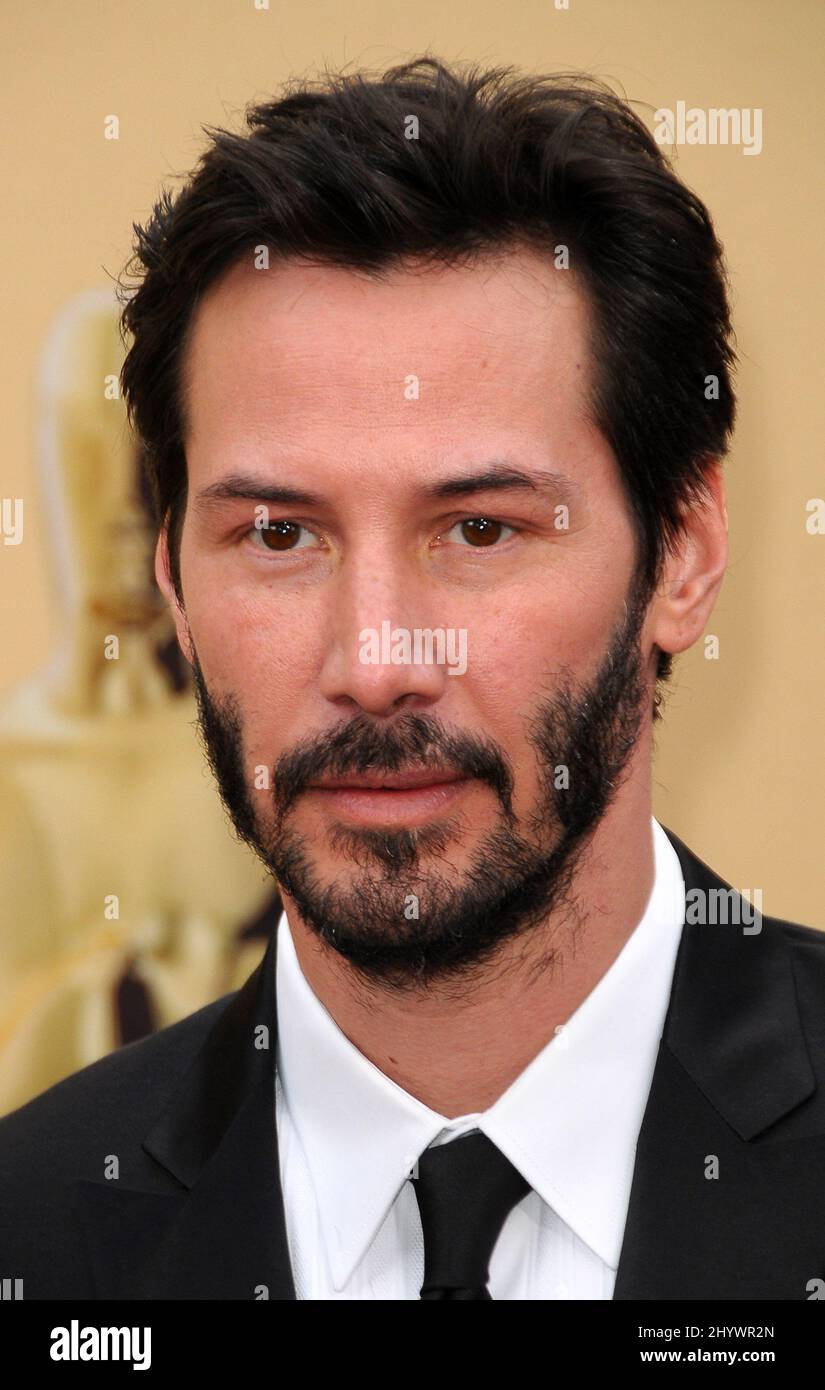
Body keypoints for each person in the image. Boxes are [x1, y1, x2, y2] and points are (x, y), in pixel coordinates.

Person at [1, 56, 822, 1302]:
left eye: (480, 530)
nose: (378, 664)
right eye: (278, 536)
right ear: (172, 576)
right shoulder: (32, 1231)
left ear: (686, 554)